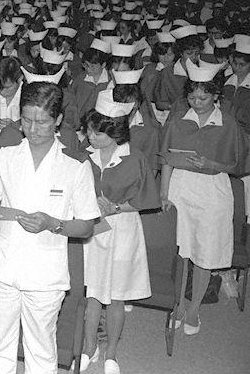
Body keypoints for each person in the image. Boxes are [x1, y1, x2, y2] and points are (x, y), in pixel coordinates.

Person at [0, 81, 100, 374]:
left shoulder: (75, 164)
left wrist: (52, 224)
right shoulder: (4, 155)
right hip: (3, 263)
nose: (32, 129)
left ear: (57, 120)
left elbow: (86, 227)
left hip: (45, 271)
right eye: (26, 121)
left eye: (42, 122)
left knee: (41, 346)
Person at [160, 60, 248, 335]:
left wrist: (211, 165)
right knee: (181, 251)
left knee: (204, 253)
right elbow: (166, 160)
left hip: (213, 191)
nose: (196, 102)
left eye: (203, 97)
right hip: (181, 188)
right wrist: (164, 193)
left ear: (216, 96)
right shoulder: (178, 120)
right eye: (191, 96)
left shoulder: (228, 123)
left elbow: (237, 163)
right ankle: (178, 305)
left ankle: (194, 308)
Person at [77, 90, 159, 374]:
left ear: (115, 132)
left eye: (97, 133)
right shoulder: (84, 155)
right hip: (92, 228)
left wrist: (116, 207)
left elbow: (146, 198)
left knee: (116, 294)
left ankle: (111, 350)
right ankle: (90, 346)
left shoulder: (134, 158)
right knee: (92, 293)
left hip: (122, 229)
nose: (90, 137)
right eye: (88, 131)